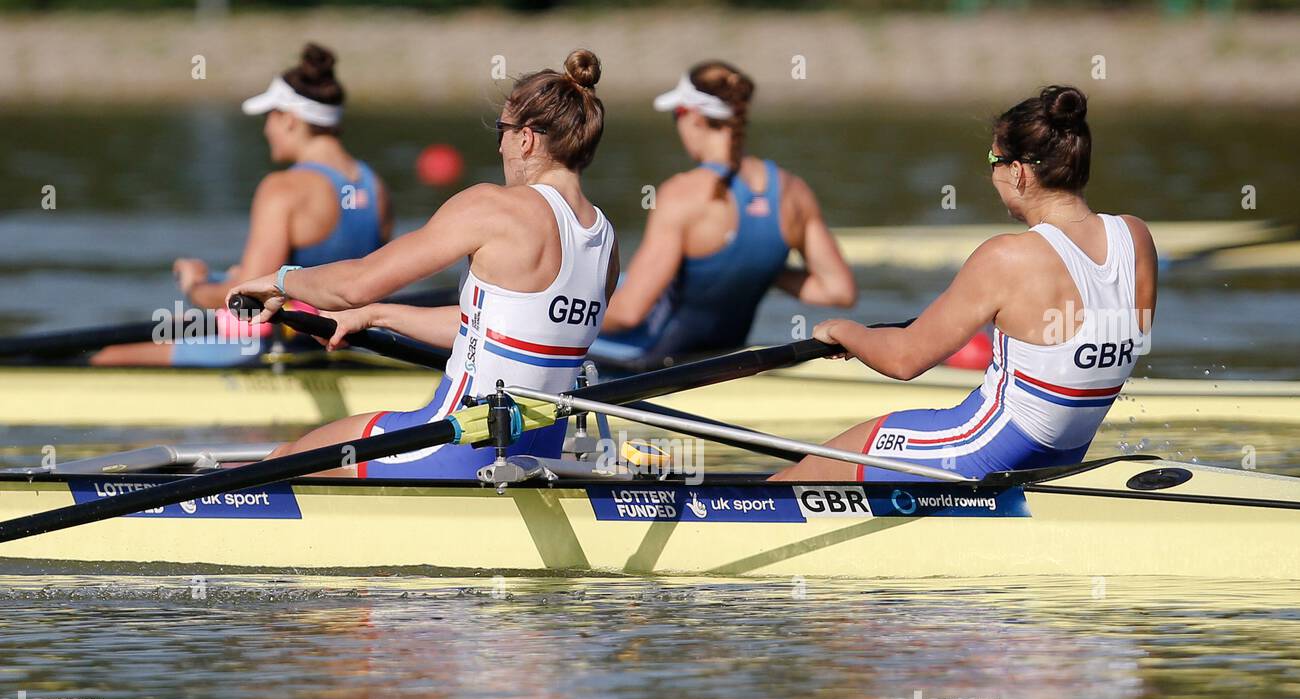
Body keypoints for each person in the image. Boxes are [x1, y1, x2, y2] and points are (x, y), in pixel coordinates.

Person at [227, 49, 616, 479]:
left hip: (452, 445)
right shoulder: (605, 241)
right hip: (538, 454)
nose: (501, 146)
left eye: (500, 132)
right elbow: (495, 330)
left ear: (525, 138)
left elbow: (353, 285)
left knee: (284, 460)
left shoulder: (492, 207)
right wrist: (378, 315)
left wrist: (280, 281)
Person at [773, 85, 1156, 482]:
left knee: (795, 477)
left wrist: (845, 331)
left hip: (978, 448)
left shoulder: (1006, 257)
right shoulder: (1136, 237)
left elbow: (904, 359)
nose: (990, 173)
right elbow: (1121, 337)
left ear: (1018, 171)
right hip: (1063, 453)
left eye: (993, 159)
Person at [94, 43, 392, 366]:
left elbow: (246, 297)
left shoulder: (283, 189)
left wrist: (196, 286)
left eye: (270, 118)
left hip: (278, 348)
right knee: (175, 330)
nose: (266, 130)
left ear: (290, 120)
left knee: (108, 355)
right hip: (348, 345)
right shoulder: (376, 187)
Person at [593, 61, 855, 366]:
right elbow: (838, 290)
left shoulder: (681, 194)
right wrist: (757, 268)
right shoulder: (792, 191)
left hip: (660, 367)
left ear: (692, 116)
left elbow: (628, 313)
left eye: (675, 114)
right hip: (725, 364)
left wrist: (556, 320)